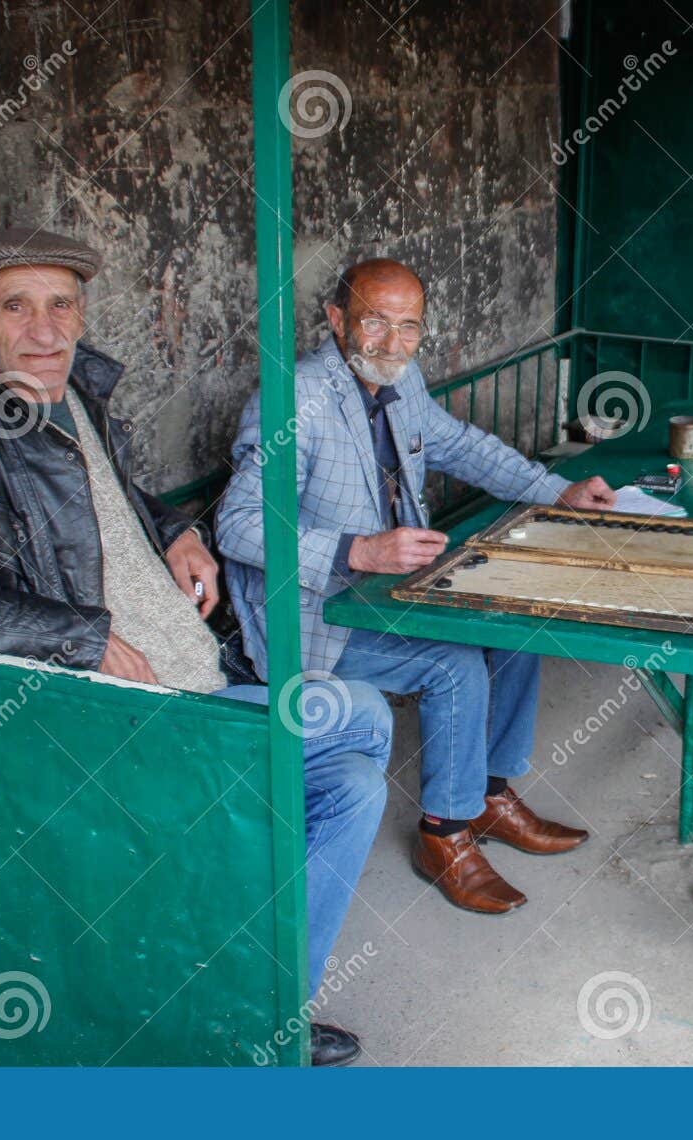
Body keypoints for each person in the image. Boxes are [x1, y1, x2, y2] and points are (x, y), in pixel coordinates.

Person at [0, 225, 388, 1065]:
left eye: (62, 305)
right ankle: (242, 995)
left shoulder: (72, 389)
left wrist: (177, 527)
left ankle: (262, 1006)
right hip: (111, 716)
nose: (46, 330)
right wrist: (81, 637)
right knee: (360, 715)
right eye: (17, 307)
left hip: (188, 668)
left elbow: (108, 501)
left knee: (357, 784)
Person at [218, 258, 617, 914]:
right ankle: (445, 834)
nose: (392, 342)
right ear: (338, 320)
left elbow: (464, 446)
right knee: (454, 662)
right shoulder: (295, 398)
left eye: (409, 327)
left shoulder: (401, 381)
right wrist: (359, 548)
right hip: (314, 614)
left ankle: (487, 793)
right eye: (375, 321)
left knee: (516, 624)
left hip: (392, 590)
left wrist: (558, 491)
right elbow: (237, 525)